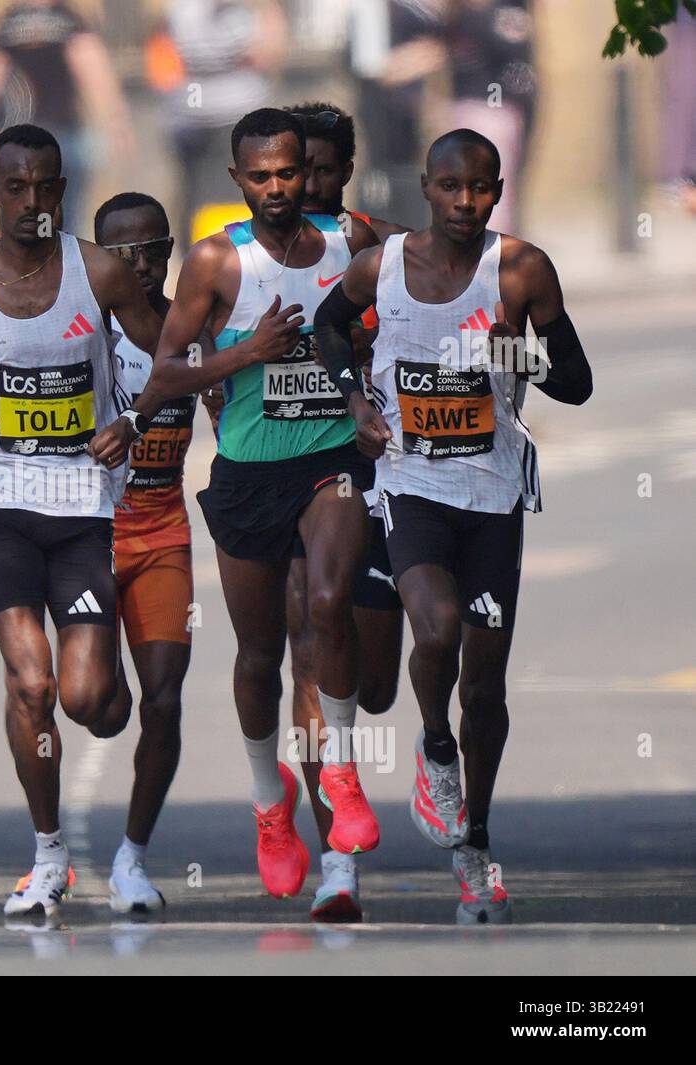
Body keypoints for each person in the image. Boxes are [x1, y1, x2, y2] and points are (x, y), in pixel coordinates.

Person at [314, 128, 592, 924]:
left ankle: (476, 844)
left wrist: (525, 361)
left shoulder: (522, 270)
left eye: (480, 189)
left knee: (487, 681)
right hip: (412, 482)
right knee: (433, 632)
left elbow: (577, 380)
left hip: (494, 493)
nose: (465, 203)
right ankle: (435, 749)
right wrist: (357, 404)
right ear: (427, 190)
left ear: (496, 192)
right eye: (450, 188)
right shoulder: (383, 268)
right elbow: (331, 330)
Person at [0, 124, 166, 917]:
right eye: (14, 187)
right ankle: (48, 855)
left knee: (89, 699)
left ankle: (109, 690)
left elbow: (166, 362)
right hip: (1, 496)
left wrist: (137, 421)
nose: (31, 202)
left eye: (45, 187)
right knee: (32, 680)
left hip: (83, 503)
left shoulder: (101, 273)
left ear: (62, 191)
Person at [148, 108, 382, 903]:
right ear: (238, 181)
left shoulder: (354, 249)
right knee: (257, 656)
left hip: (332, 461)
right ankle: (267, 804)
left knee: (327, 604)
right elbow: (163, 376)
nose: (280, 188)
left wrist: (367, 396)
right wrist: (247, 353)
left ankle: (343, 771)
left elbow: (412, 306)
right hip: (249, 473)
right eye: (263, 177)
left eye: (291, 172)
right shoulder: (217, 260)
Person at [285, 101, 411, 921]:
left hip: (378, 473)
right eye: (301, 172)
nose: (313, 186)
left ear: (346, 172)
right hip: (292, 473)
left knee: (372, 686)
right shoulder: (242, 256)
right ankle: (336, 857)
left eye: (328, 170)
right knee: (307, 649)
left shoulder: (387, 249)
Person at [92, 191, 202, 914]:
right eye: (122, 252)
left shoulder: (190, 329)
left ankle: (132, 856)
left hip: (163, 531)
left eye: (153, 248)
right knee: (102, 709)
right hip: (89, 535)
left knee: (163, 702)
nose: (140, 262)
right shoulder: (81, 326)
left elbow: (235, 407)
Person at [0, 0, 134, 226]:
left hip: (18, 143)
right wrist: (116, 122)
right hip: (63, 139)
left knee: (23, 218)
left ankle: (32, 256)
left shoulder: (7, 24)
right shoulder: (69, 20)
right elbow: (93, 72)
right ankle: (61, 255)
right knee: (66, 217)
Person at [160, 0, 287, 247]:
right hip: (233, 115)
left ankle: (195, 257)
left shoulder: (180, 10)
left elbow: (170, 60)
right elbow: (266, 55)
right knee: (231, 196)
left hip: (187, 115)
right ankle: (226, 261)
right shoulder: (240, 14)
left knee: (195, 196)